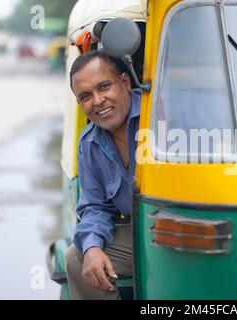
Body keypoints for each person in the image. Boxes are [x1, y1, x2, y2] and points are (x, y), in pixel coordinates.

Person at [64, 50, 141, 300]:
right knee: (77, 257)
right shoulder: (89, 143)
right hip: (138, 233)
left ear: (125, 83)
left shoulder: (163, 112)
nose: (97, 101)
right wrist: (93, 246)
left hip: (185, 224)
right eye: (86, 96)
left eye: (104, 86)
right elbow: (95, 207)